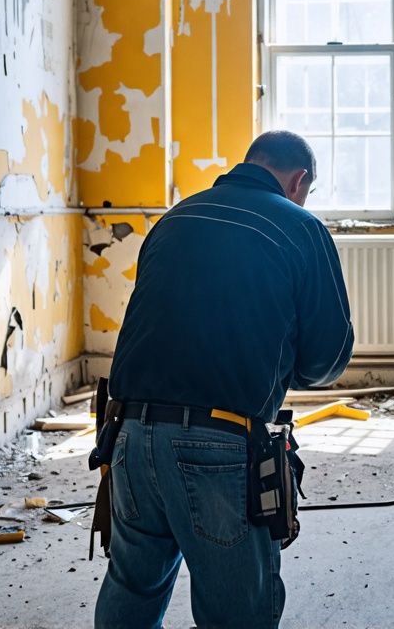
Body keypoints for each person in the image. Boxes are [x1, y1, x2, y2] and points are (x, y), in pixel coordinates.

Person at [95, 130, 354, 629]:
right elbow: (327, 361)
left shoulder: (175, 218)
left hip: (126, 435)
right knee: (239, 612)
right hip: (217, 444)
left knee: (133, 590)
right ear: (298, 180)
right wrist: (281, 363)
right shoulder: (301, 227)